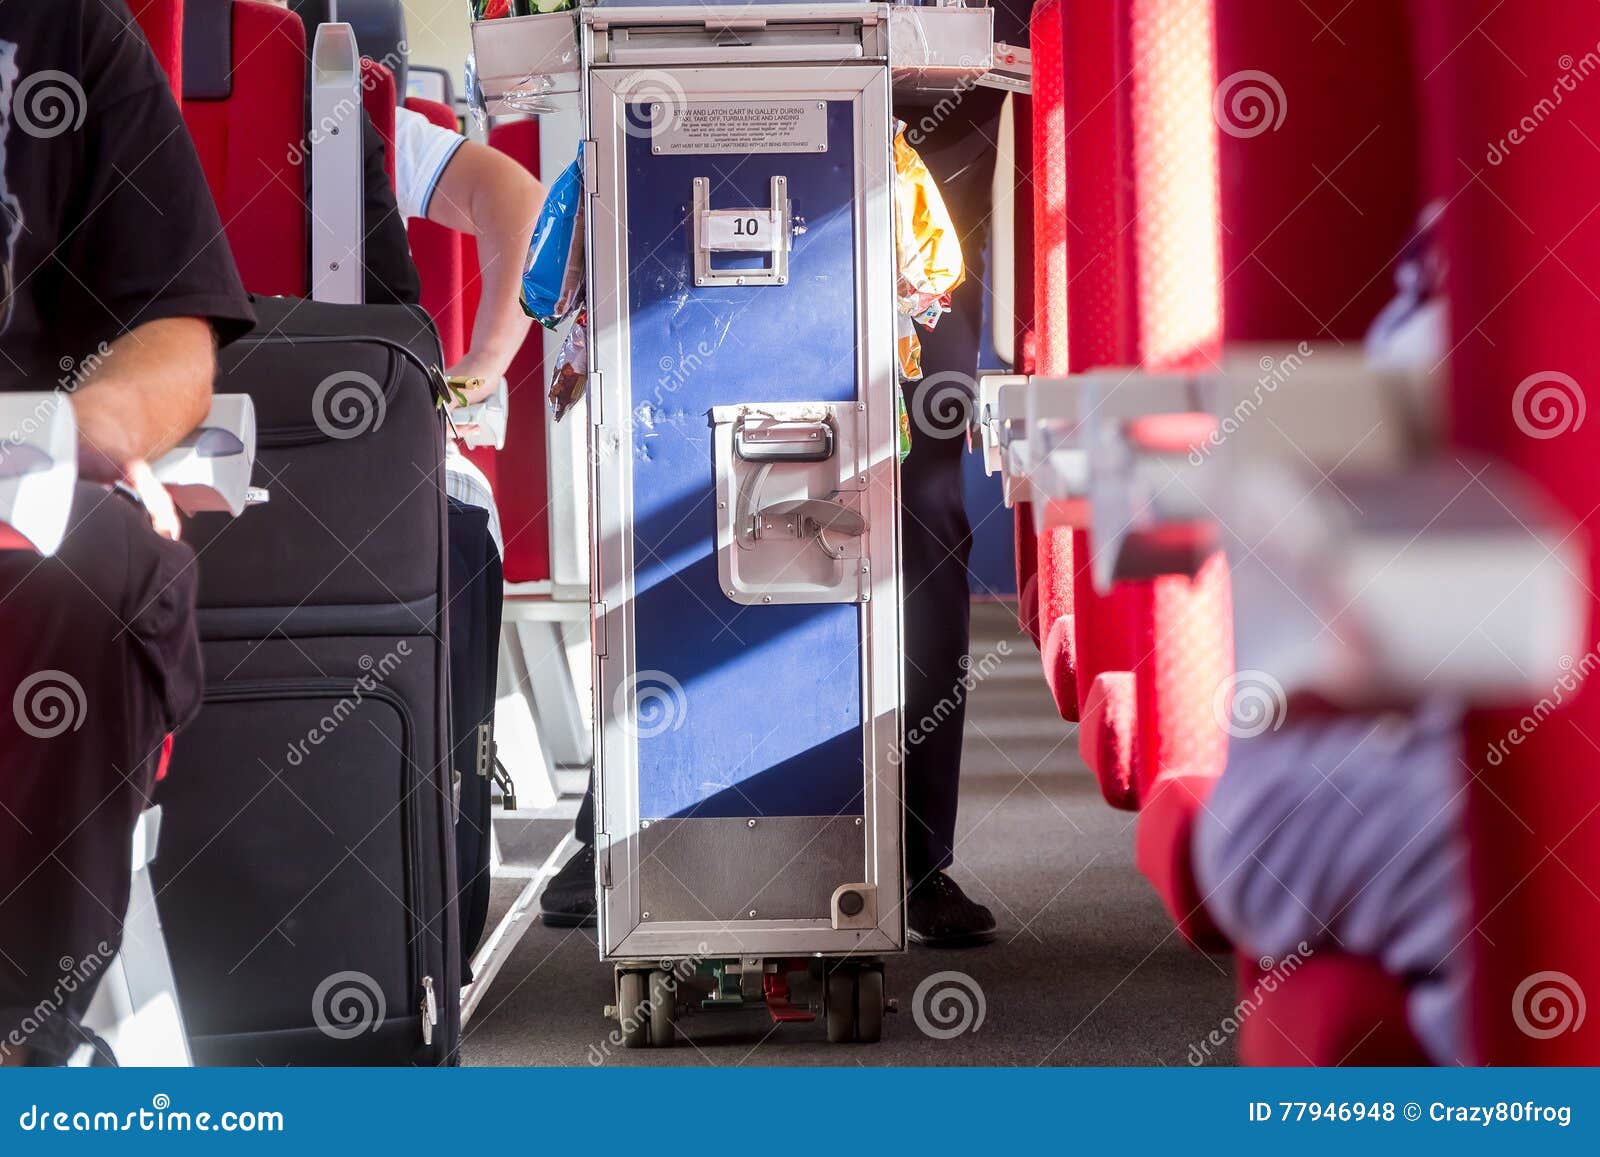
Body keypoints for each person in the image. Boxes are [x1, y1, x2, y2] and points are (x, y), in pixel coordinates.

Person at [538, 4, 1035, 948]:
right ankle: (623, 819)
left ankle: (914, 851)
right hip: (709, 81)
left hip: (926, 110)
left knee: (916, 492)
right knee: (676, 451)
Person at [0, 0, 255, 1065]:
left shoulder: (65, 35)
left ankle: (19, 1034)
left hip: (9, 474)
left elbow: (171, 330)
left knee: (100, 573)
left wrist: (83, 430)